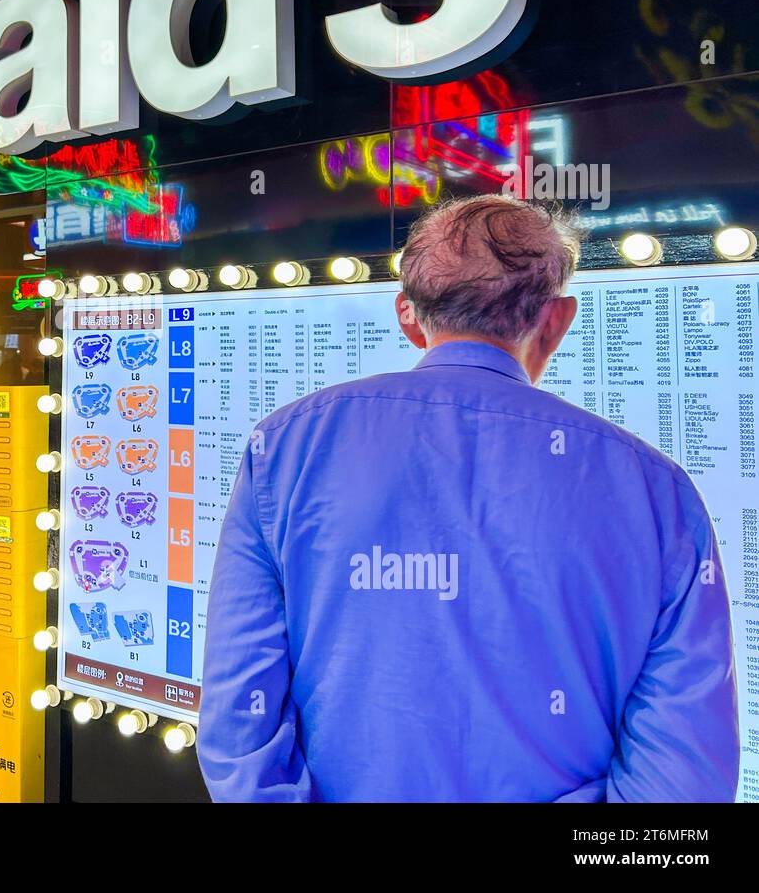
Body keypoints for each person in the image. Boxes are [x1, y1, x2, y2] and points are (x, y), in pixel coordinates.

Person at [198, 195, 739, 803]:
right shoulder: (657, 490)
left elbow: (238, 722)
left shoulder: (285, 447)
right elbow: (683, 781)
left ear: (410, 318)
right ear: (558, 320)